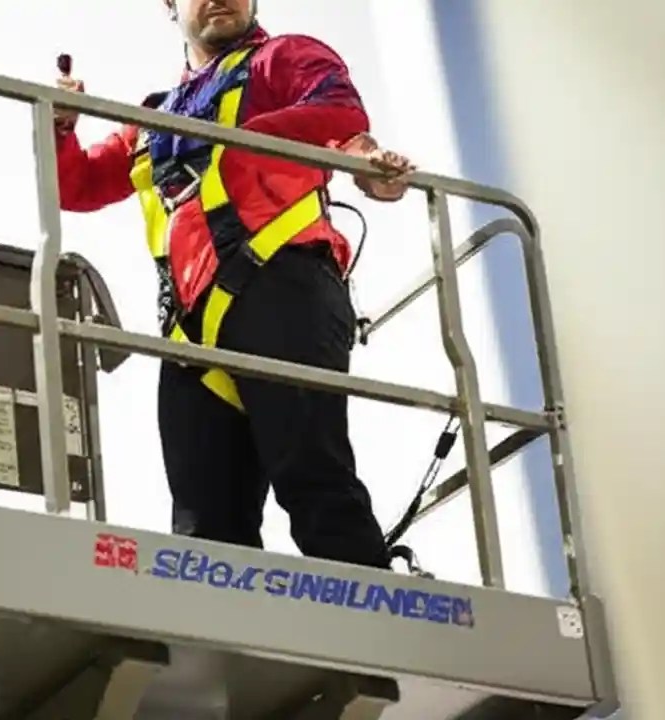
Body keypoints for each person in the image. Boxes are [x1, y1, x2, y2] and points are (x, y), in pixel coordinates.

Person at [52, 0, 415, 570]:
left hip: (284, 289)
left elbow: (340, 117)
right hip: (190, 331)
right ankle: (236, 653)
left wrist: (360, 160)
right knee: (203, 525)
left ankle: (380, 644)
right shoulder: (154, 118)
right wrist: (59, 127)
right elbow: (75, 186)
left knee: (315, 482)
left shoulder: (282, 59)